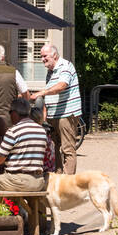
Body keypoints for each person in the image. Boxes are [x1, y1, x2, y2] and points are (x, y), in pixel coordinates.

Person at [30, 43, 81, 175]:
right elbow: (49, 96)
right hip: (54, 115)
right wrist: (45, 118)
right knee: (54, 148)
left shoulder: (65, 66)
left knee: (67, 149)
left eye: (44, 56)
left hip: (66, 113)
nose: (42, 59)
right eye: (41, 56)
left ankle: (68, 183)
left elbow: (62, 86)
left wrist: (42, 92)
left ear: (54, 55)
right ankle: (58, 178)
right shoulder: (50, 71)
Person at [0, 96, 50, 193]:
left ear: (14, 113)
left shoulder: (13, 131)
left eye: (10, 112)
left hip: (18, 180)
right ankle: (20, 208)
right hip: (38, 181)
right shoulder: (41, 130)